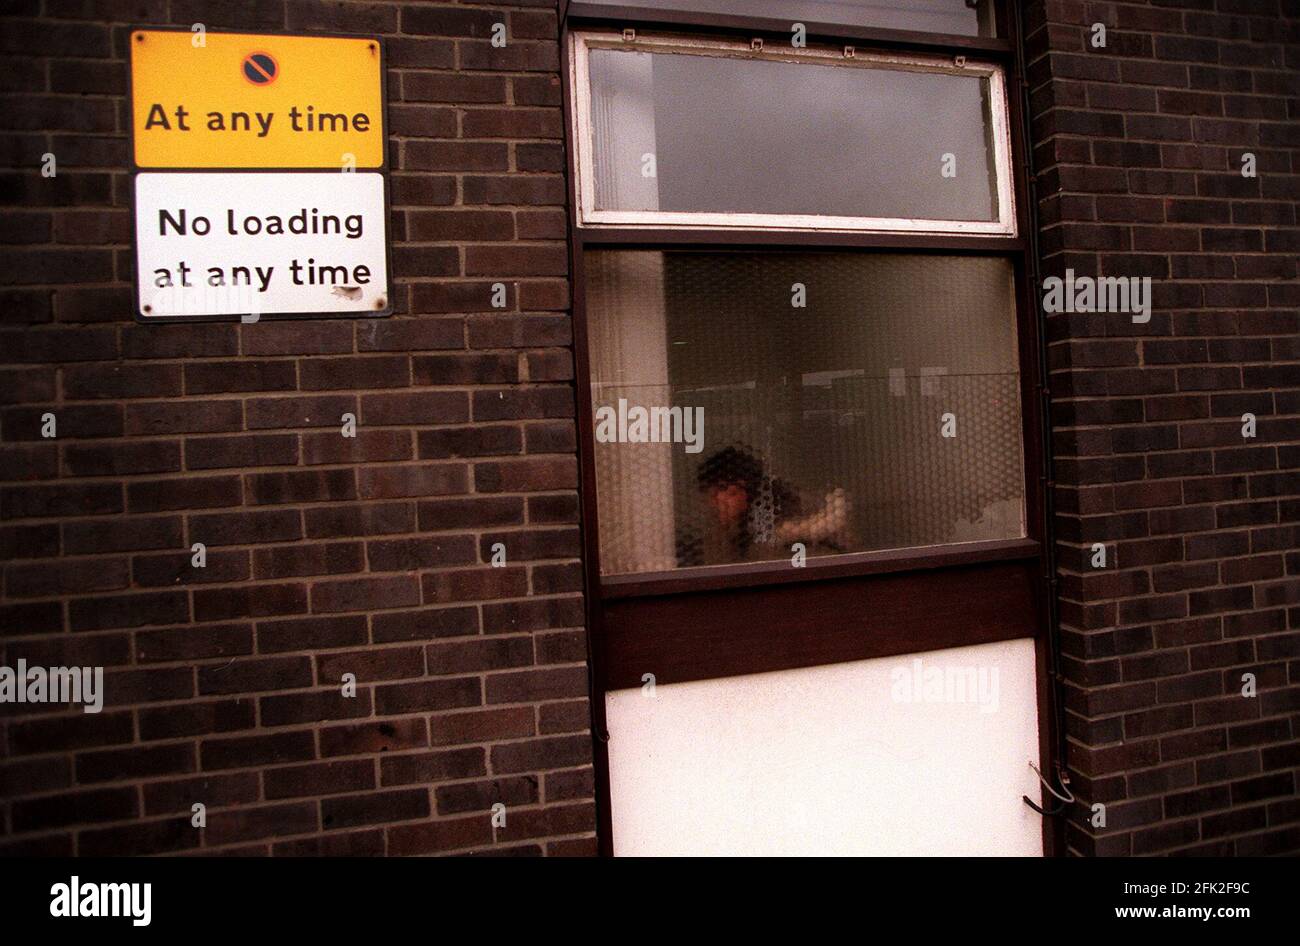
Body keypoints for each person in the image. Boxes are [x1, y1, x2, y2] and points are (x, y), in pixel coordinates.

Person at [694, 445, 853, 565]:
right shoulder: (737, 533)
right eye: (711, 496)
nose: (714, 503)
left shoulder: (788, 536)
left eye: (721, 492)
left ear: (746, 491)